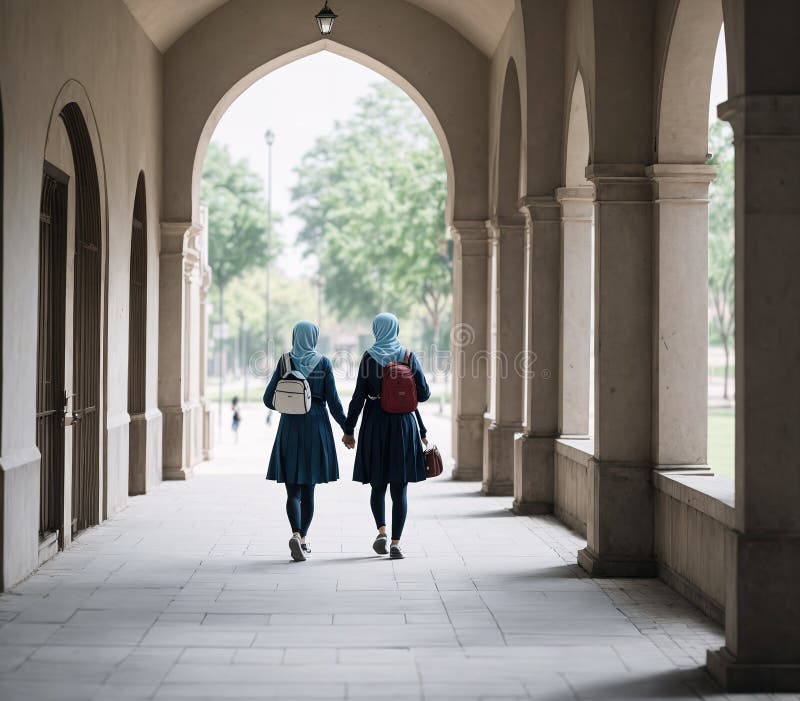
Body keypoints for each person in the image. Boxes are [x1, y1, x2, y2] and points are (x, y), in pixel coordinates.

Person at [342, 312, 430, 559]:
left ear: (375, 330)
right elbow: (423, 394)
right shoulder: (408, 356)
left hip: (375, 425)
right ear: (397, 329)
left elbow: (357, 397)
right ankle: (396, 543)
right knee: (399, 490)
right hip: (403, 426)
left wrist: (349, 430)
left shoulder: (369, 358)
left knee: (378, 485)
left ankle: (381, 530)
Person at [263, 321, 347, 562]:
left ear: (294, 336)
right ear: (314, 338)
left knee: (292, 491)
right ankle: (303, 539)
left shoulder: (284, 362)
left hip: (290, 427)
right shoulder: (323, 363)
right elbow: (334, 402)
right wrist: (347, 428)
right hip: (316, 427)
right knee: (309, 490)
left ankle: (295, 533)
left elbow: (268, 399)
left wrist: (288, 402)